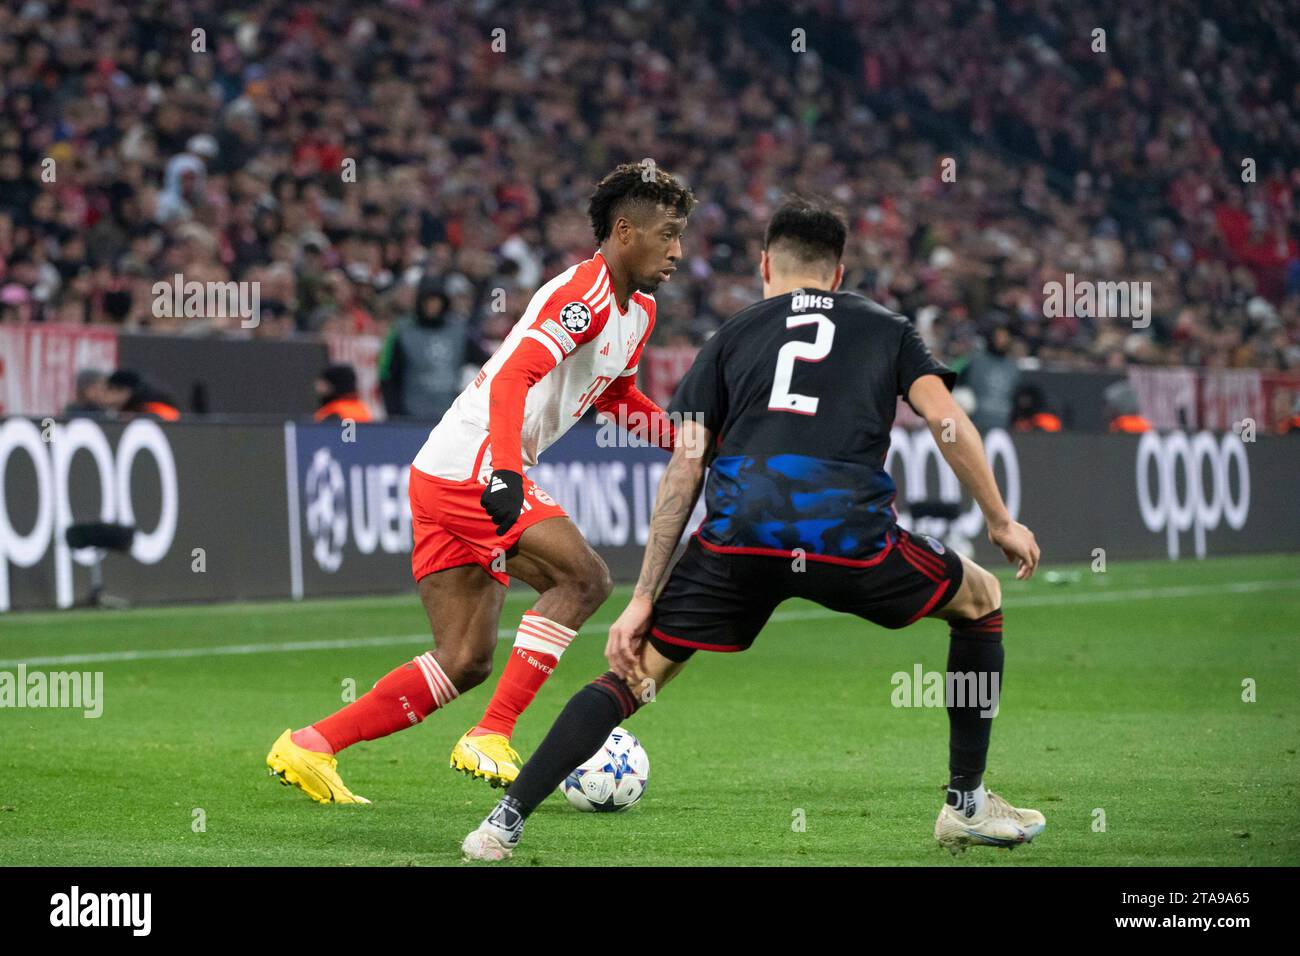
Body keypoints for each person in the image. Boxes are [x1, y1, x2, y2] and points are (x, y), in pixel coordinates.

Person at [463, 197, 1044, 860]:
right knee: (981, 601)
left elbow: (684, 471)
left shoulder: (730, 337)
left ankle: (502, 823)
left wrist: (645, 596)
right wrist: (1000, 519)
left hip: (737, 536)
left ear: (766, 265)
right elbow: (948, 423)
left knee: (635, 677)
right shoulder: (888, 328)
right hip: (844, 534)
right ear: (839, 270)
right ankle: (965, 804)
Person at [266, 163, 695, 803]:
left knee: (464, 658)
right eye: (667, 235)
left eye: (681, 236)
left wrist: (686, 441)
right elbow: (514, 377)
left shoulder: (639, 313)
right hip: (473, 463)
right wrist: (505, 469)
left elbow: (616, 396)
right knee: (586, 579)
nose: (678, 252)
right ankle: (491, 732)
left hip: (444, 470)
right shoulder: (585, 296)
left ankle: (310, 745)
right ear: (625, 231)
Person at [102, 370, 181, 421]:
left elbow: (172, 426)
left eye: (109, 390)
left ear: (124, 391)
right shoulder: (121, 411)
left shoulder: (155, 408)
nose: (104, 395)